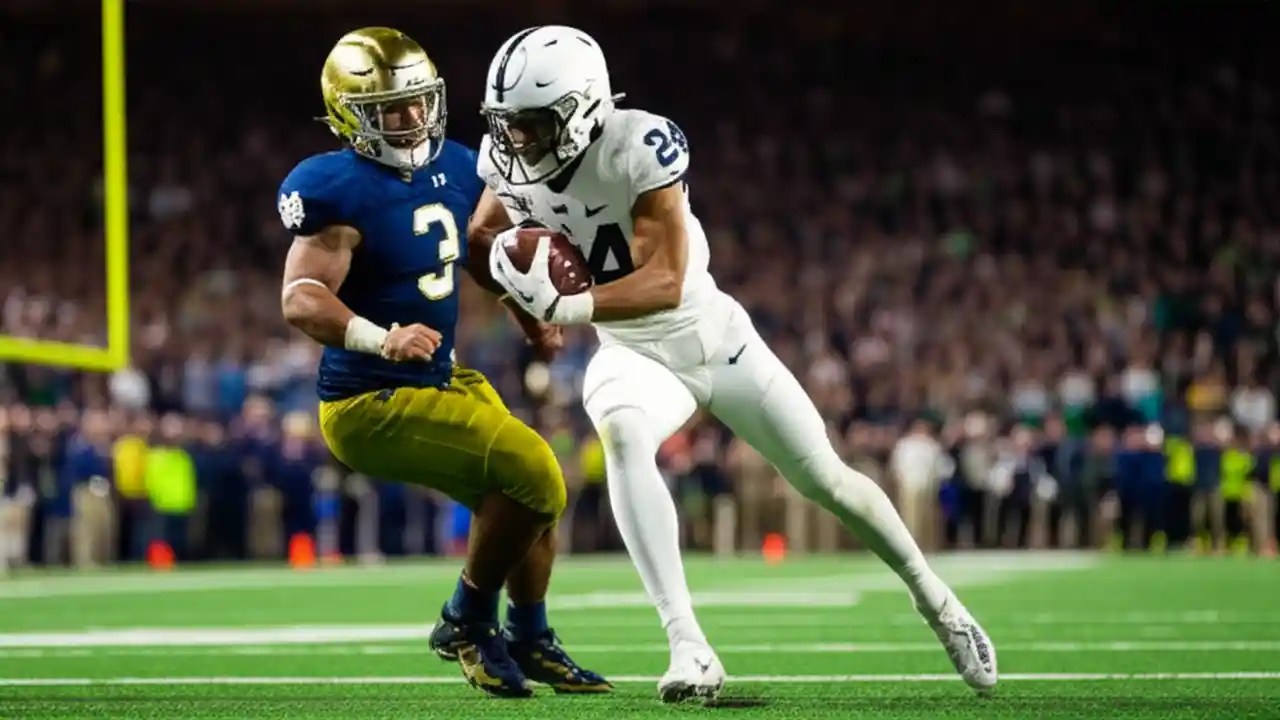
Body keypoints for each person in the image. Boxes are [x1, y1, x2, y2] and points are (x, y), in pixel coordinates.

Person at [470, 25, 997, 702]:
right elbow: (484, 236)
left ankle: (937, 601)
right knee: (626, 434)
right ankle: (688, 645)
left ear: (584, 109)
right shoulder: (506, 158)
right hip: (632, 355)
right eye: (508, 126)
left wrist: (566, 307)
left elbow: (663, 278)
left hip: (712, 337)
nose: (518, 143)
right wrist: (524, 305)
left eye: (534, 126)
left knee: (827, 480)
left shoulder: (638, 144)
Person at [277, 27, 607, 698]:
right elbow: (301, 297)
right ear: (349, 112)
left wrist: (526, 315)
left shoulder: (459, 166)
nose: (411, 118)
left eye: (419, 101)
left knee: (531, 503)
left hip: (439, 376)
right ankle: (466, 618)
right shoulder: (335, 187)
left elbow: (478, 254)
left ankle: (529, 636)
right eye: (391, 108)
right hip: (369, 400)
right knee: (540, 474)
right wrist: (378, 336)